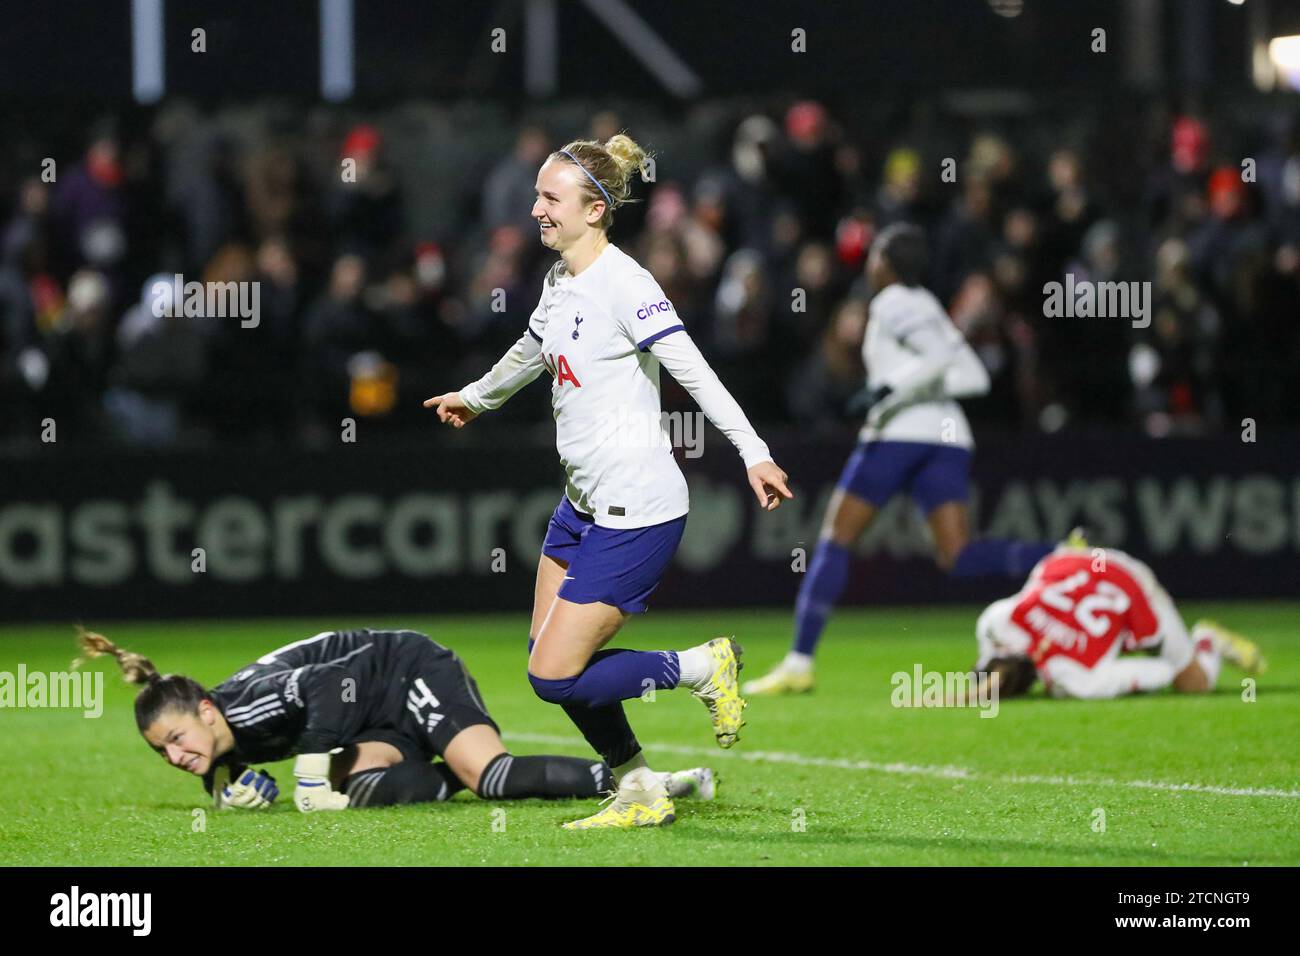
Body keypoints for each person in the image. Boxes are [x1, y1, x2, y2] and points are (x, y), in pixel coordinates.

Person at [424, 133, 792, 829]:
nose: (535, 208)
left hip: (638, 510)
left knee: (553, 676)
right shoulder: (561, 279)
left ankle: (700, 667)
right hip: (583, 506)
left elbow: (694, 370)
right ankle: (640, 790)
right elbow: (533, 347)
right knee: (548, 659)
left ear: (594, 209)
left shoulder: (627, 284)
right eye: (537, 194)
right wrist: (476, 397)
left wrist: (753, 451)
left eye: (550, 198)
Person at [744, 223, 1053, 697]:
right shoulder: (929, 305)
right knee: (960, 556)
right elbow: (972, 377)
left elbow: (932, 364)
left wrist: (887, 393)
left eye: (875, 257)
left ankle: (799, 663)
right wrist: (915, 383)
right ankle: (1058, 556)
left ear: (884, 264)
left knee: (835, 540)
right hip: (948, 437)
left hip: (898, 435)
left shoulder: (889, 302)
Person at [76, 627, 715, 811]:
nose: (176, 757)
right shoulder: (214, 734)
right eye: (163, 753)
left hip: (405, 670)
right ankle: (443, 778)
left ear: (207, 711)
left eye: (177, 741)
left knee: (488, 777)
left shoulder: (246, 705)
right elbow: (218, 766)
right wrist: (222, 787)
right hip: (371, 721)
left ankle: (639, 785)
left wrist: (304, 776)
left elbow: (328, 682)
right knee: (364, 789)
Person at [970, 543, 1266, 700]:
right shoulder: (996, 621)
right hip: (1074, 559)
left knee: (1193, 683)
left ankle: (1206, 639)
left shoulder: (1077, 681)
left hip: (1134, 591)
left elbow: (1163, 671)